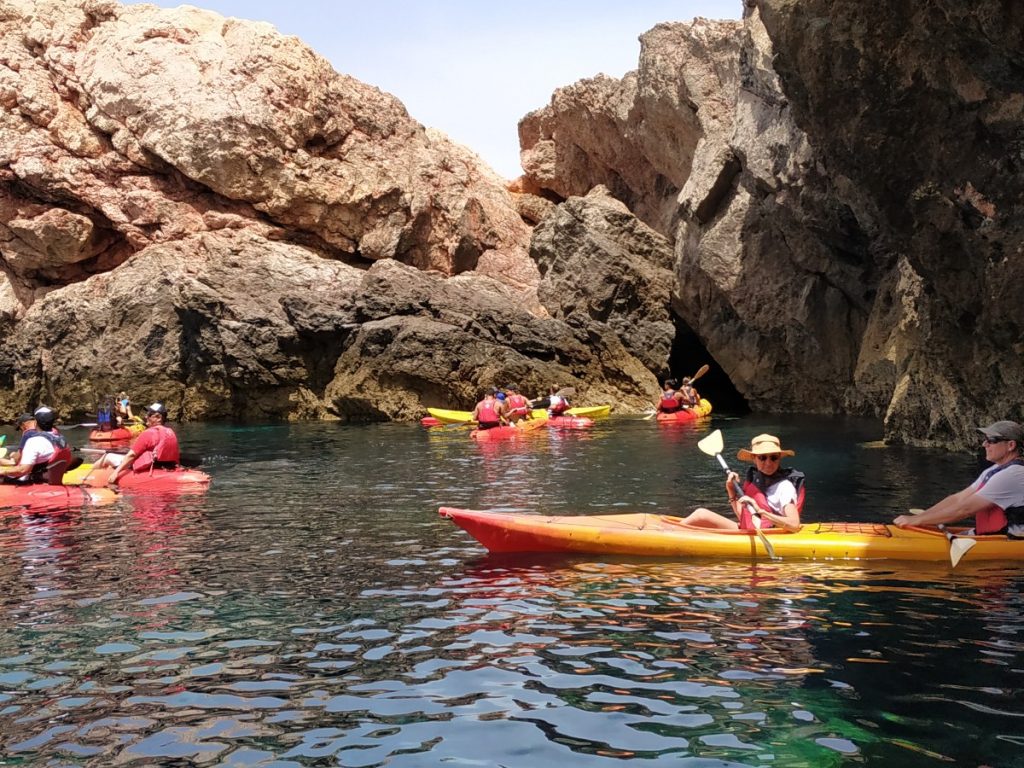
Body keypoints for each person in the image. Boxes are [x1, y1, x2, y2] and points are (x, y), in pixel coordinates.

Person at [893, 420, 1024, 535]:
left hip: (1012, 539)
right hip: (996, 536)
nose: (985, 444)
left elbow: (965, 510)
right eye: (985, 439)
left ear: (1011, 445)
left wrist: (917, 520)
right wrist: (923, 516)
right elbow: (958, 499)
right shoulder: (995, 469)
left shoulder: (1013, 474)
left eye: (992, 440)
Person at [680, 434, 805, 532]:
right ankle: (669, 532)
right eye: (762, 457)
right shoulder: (757, 480)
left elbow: (794, 524)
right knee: (701, 514)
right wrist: (731, 490)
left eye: (773, 457)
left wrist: (762, 512)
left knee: (700, 515)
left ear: (779, 458)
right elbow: (743, 516)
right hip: (751, 530)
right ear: (754, 459)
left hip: (770, 535)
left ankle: (666, 537)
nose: (768, 463)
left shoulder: (784, 487)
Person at [106, 402, 180, 485]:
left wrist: (116, 472)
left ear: (158, 417)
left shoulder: (148, 433)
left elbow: (131, 455)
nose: (145, 416)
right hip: (166, 466)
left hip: (151, 468)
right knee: (111, 461)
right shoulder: (170, 432)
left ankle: (91, 475)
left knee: (107, 457)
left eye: (149, 414)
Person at [0, 407, 73, 484]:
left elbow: (23, 470)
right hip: (51, 480)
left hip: (29, 482)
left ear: (35, 423)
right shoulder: (60, 439)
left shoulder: (34, 441)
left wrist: (3, 471)